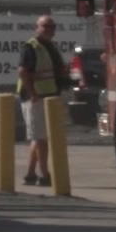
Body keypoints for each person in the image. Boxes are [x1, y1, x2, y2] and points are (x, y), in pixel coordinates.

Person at [17, 15, 71, 187]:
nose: (49, 29)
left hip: (48, 96)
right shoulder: (31, 47)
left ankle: (30, 174)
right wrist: (33, 94)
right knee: (41, 138)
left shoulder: (50, 47)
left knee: (38, 137)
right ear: (37, 27)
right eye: (45, 26)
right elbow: (23, 72)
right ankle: (45, 174)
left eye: (52, 26)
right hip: (36, 97)